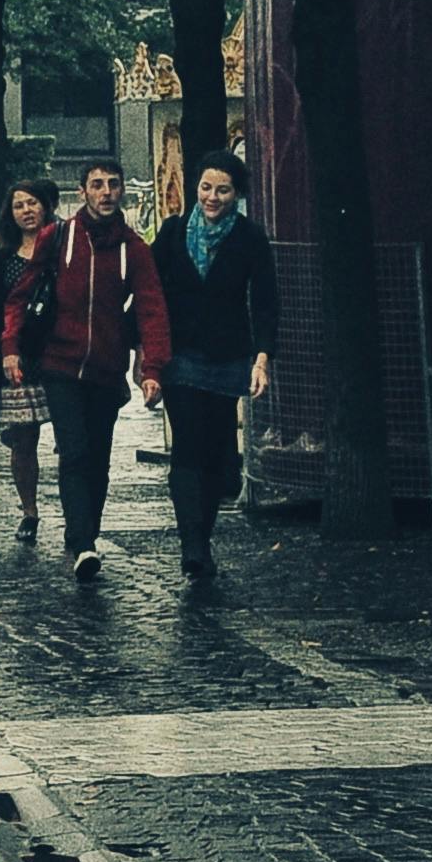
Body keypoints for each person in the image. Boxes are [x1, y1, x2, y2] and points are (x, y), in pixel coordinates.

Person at [5, 153, 169, 577]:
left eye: (113, 184)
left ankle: (85, 530)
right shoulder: (58, 237)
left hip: (106, 369)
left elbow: (152, 309)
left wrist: (152, 368)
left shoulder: (135, 249)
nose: (107, 192)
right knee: (74, 451)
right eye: (97, 184)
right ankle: (83, 543)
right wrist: (10, 346)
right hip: (60, 364)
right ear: (83, 192)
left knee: (97, 458)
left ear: (123, 190)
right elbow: (21, 294)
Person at [157, 153, 277, 584]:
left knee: (219, 454)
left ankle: (202, 535)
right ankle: (193, 544)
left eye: (222, 190)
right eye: (206, 188)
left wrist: (262, 358)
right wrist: (144, 355)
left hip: (229, 357)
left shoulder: (249, 238)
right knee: (188, 442)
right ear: (196, 188)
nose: (212, 197)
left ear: (236, 194)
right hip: (181, 355)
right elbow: (150, 295)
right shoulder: (172, 234)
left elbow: (265, 301)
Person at [0, 179, 60, 537]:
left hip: (59, 352)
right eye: (18, 205)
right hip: (17, 357)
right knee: (24, 440)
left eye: (32, 203)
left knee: (72, 438)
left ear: (45, 206)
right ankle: (29, 510)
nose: (26, 211)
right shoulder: (3, 258)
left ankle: (80, 517)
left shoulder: (64, 248)